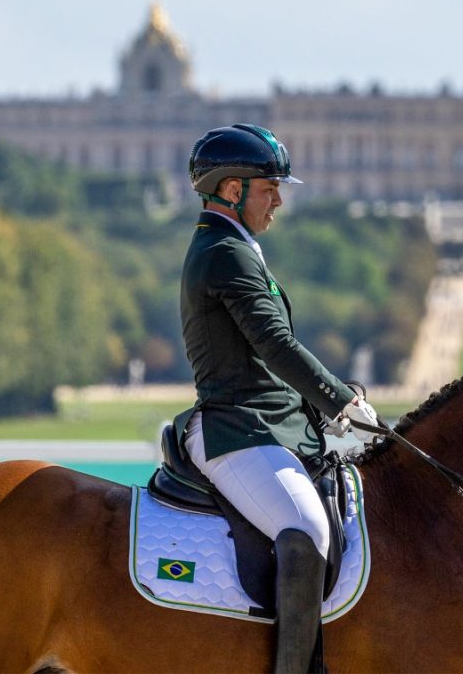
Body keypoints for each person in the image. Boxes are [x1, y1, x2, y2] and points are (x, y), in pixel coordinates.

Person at [173, 123, 380, 673]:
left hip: (268, 425)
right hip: (237, 430)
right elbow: (275, 345)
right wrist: (340, 403)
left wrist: (327, 409)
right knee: (307, 529)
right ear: (232, 189)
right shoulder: (225, 252)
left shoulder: (237, 246)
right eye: (270, 189)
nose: (279, 201)